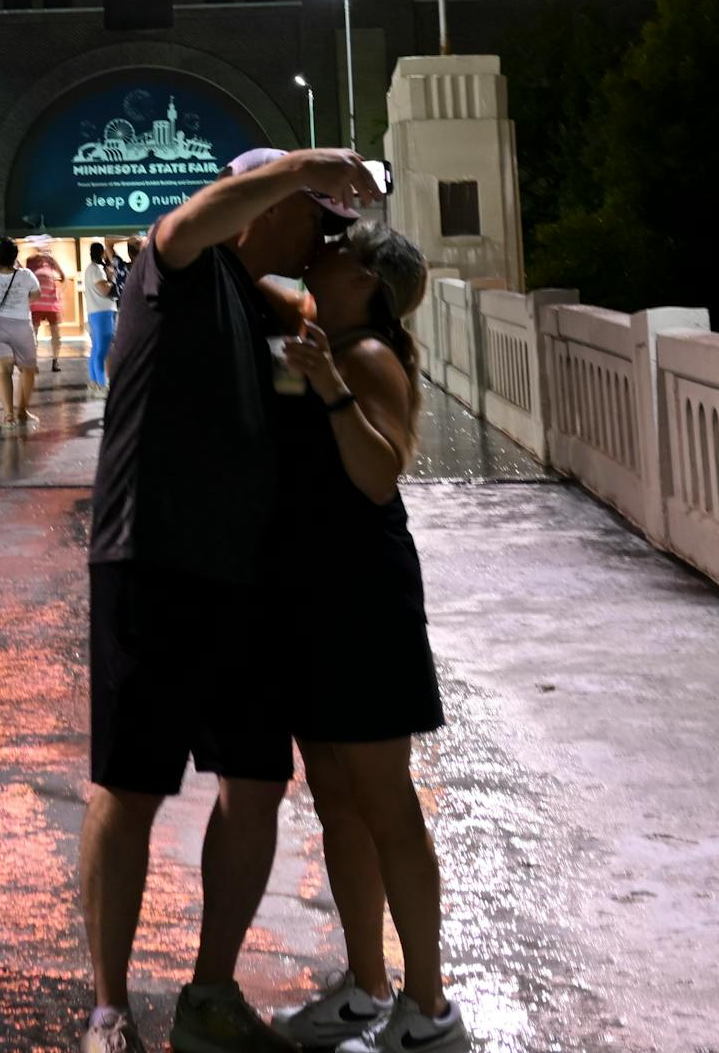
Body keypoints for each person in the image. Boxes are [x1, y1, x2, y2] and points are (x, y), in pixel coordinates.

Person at [76, 146, 379, 1053]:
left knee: (255, 784)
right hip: (148, 557)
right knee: (128, 786)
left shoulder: (262, 302)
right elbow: (193, 221)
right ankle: (108, 1006)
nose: (316, 237)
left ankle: (209, 991)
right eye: (309, 217)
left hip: (243, 576)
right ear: (266, 202)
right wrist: (304, 165)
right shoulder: (177, 263)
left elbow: (338, 304)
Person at [272, 221, 466, 1053]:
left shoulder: (367, 359)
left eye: (339, 243)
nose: (322, 244)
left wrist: (332, 387)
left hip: (363, 593)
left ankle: (428, 1004)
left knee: (384, 797)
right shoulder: (330, 337)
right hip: (315, 589)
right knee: (337, 798)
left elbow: (380, 473)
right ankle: (364, 985)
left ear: (363, 281)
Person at [0, 239, 42, 433]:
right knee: (28, 370)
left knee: (3, 371)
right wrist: (21, 301)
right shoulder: (26, 275)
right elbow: (37, 295)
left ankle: (8, 415)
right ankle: (22, 411)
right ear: (15, 257)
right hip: (22, 326)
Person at [83, 242, 119, 391]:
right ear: (101, 253)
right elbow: (104, 290)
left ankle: (94, 382)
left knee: (96, 349)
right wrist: (111, 279)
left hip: (95, 312)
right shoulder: (97, 270)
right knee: (102, 350)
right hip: (103, 313)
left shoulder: (90, 269)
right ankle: (102, 384)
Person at [29, 245, 67, 372]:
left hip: (52, 303)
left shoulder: (51, 261)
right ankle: (33, 362)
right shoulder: (31, 261)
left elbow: (63, 277)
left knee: (56, 334)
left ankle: (55, 362)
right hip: (36, 303)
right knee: (33, 334)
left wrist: (59, 292)